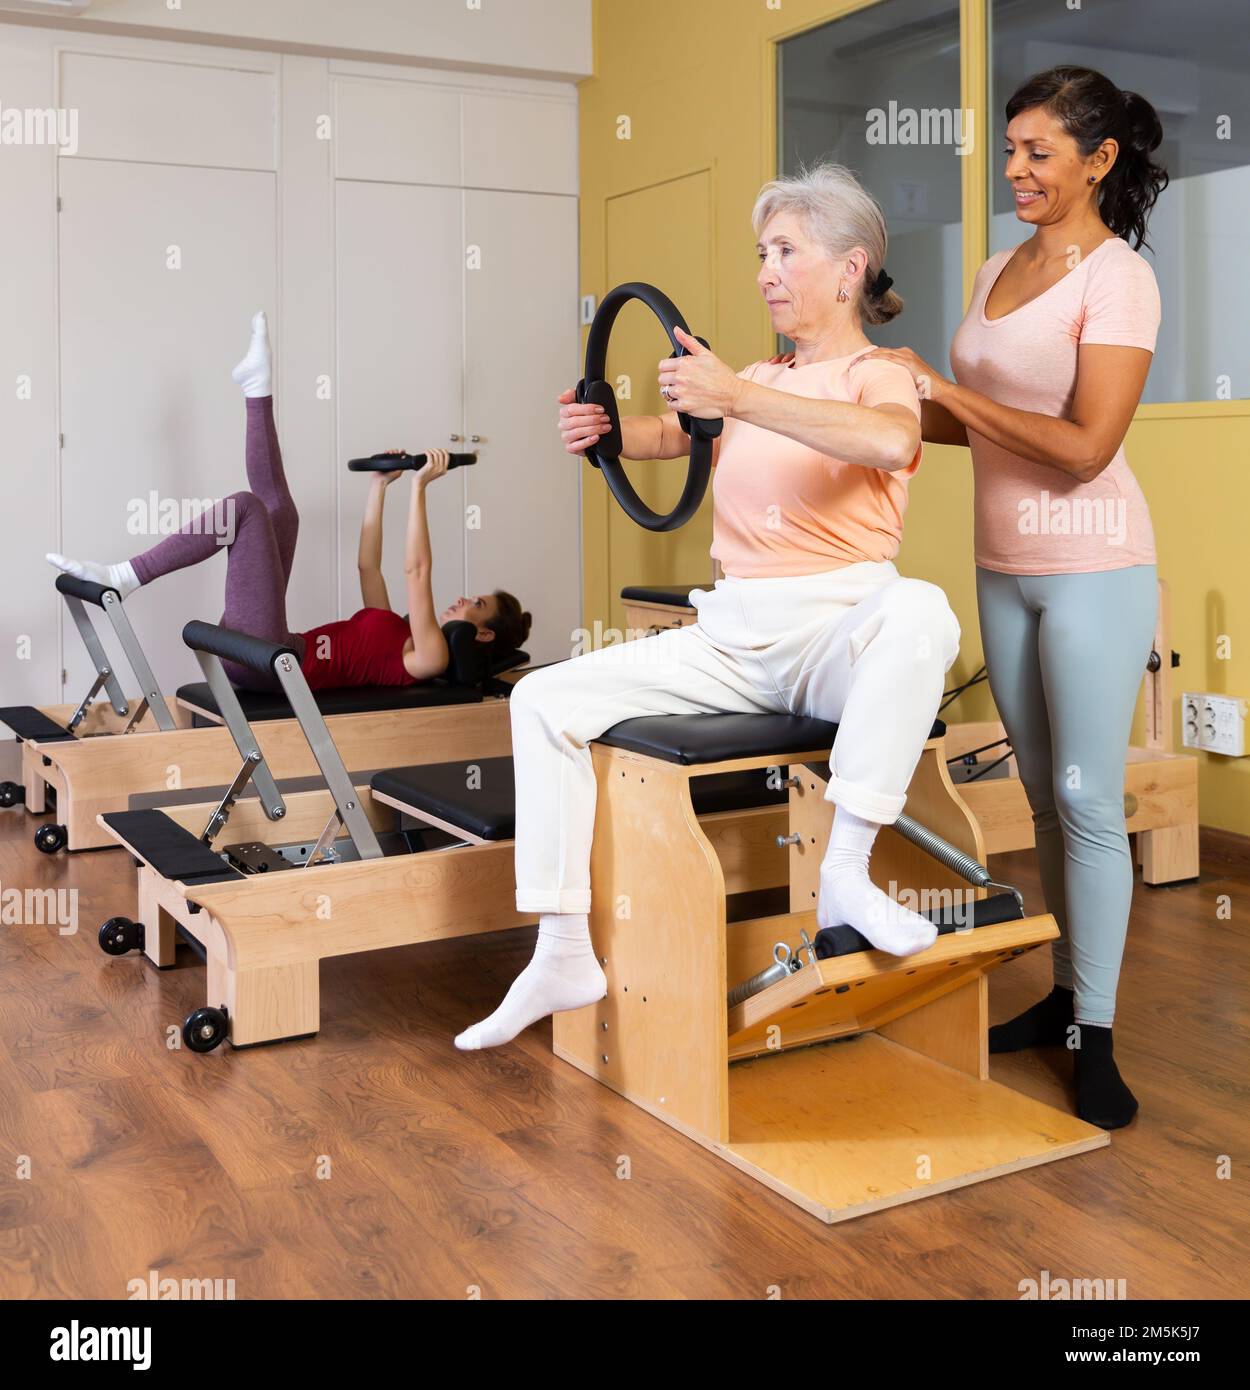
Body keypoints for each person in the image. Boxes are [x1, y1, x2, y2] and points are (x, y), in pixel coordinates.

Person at [455, 162, 961, 1053]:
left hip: (837, 634)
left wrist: (735, 395)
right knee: (541, 701)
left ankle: (846, 872)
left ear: (848, 269)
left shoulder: (878, 374)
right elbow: (670, 436)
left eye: (786, 251)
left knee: (924, 613)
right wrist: (607, 430)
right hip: (732, 635)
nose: (765, 269)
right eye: (761, 251)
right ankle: (562, 947)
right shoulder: (757, 375)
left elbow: (891, 441)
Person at [864, 67, 1168, 1129]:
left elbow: (1086, 448)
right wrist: (896, 396)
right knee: (1039, 801)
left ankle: (1099, 1037)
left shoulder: (1116, 279)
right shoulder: (1000, 266)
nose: (1014, 170)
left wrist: (944, 391)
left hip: (1093, 568)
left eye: (1038, 152)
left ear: (1096, 161)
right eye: (1008, 150)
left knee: (1086, 802)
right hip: (1003, 567)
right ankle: (1064, 1000)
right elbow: (972, 421)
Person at [47, 312, 531, 693]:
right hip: (272, 646)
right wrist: (381, 487)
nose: (465, 598)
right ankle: (257, 389)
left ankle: (125, 577)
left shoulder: (429, 655)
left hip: (270, 662)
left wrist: (422, 488)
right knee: (282, 510)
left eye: (478, 604)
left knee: (246, 508)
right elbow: (369, 567)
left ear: (483, 634)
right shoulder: (398, 632)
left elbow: (416, 571)